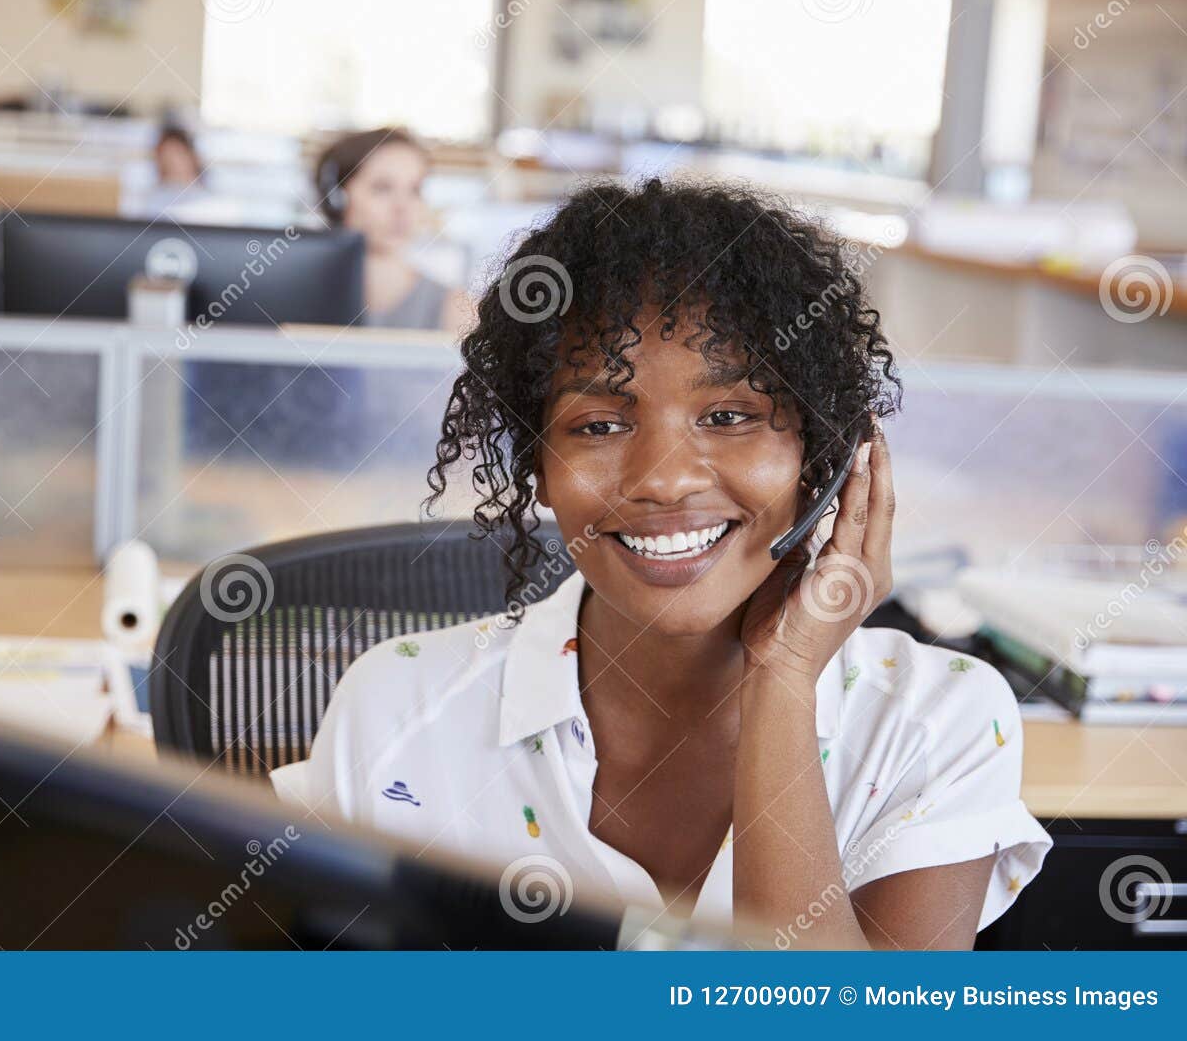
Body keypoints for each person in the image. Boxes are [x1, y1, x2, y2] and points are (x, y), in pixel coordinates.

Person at [272, 178, 1051, 949]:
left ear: (825, 456)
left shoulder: (934, 720)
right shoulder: (398, 710)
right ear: (537, 464)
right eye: (600, 423)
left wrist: (781, 684)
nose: (663, 478)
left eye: (728, 415)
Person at [314, 127, 463, 330]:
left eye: (414, 190)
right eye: (382, 188)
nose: (402, 207)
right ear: (337, 200)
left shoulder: (456, 310)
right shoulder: (296, 294)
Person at [154, 124, 203, 189]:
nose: (171, 164)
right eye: (166, 159)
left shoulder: (211, 196)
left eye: (176, 154)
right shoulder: (156, 195)